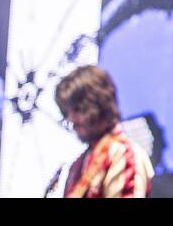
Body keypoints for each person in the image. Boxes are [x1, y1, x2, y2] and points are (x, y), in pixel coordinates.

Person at [45, 64, 154, 198]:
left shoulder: (124, 154)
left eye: (78, 109)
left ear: (99, 105)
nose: (72, 119)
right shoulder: (78, 164)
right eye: (67, 112)